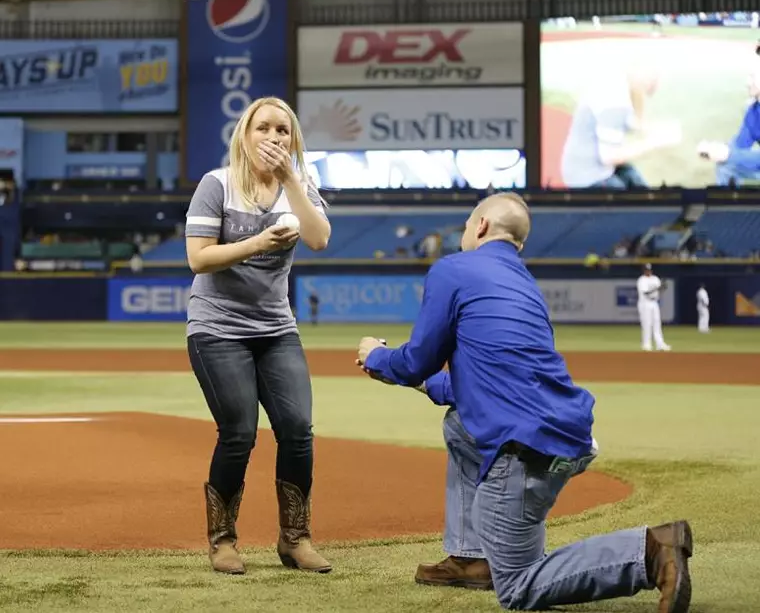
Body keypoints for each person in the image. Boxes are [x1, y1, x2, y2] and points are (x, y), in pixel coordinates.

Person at [355, 193, 692, 612]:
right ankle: (471, 556)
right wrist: (427, 386)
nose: (463, 232)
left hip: (525, 447)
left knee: (518, 586)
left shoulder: (454, 269)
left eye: (465, 225)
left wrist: (376, 356)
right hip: (567, 433)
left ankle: (650, 552)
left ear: (479, 227)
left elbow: (415, 362)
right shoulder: (524, 285)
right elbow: (480, 385)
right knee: (460, 426)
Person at [184, 96, 332, 575]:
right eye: (263, 128)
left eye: (283, 131)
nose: (273, 138)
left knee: (297, 431)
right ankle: (222, 542)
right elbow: (199, 258)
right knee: (239, 433)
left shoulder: (300, 184)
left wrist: (291, 180)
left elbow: (319, 239)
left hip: (275, 327)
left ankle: (296, 539)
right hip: (217, 327)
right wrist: (256, 243)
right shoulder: (217, 184)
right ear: (244, 136)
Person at [560, 60, 682, 189]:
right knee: (640, 206)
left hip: (594, 168)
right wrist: (654, 142)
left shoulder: (621, 84)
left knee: (644, 192)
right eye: (655, 78)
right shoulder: (615, 100)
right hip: (588, 178)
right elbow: (609, 157)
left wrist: (654, 129)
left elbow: (630, 122)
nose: (657, 86)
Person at [697, 47, 760, 187]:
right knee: (724, 165)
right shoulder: (753, 110)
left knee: (728, 159)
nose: (747, 83)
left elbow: (734, 155)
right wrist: (718, 149)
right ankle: (728, 204)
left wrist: (728, 154)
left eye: (752, 77)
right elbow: (740, 144)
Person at [637, 263, 671, 351]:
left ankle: (660, 344)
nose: (648, 271)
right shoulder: (641, 280)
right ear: (644, 270)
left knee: (657, 323)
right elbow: (646, 293)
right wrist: (657, 288)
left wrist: (663, 287)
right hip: (645, 303)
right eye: (647, 270)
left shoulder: (655, 279)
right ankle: (646, 344)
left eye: (650, 270)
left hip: (654, 302)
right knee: (647, 324)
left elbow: (660, 290)